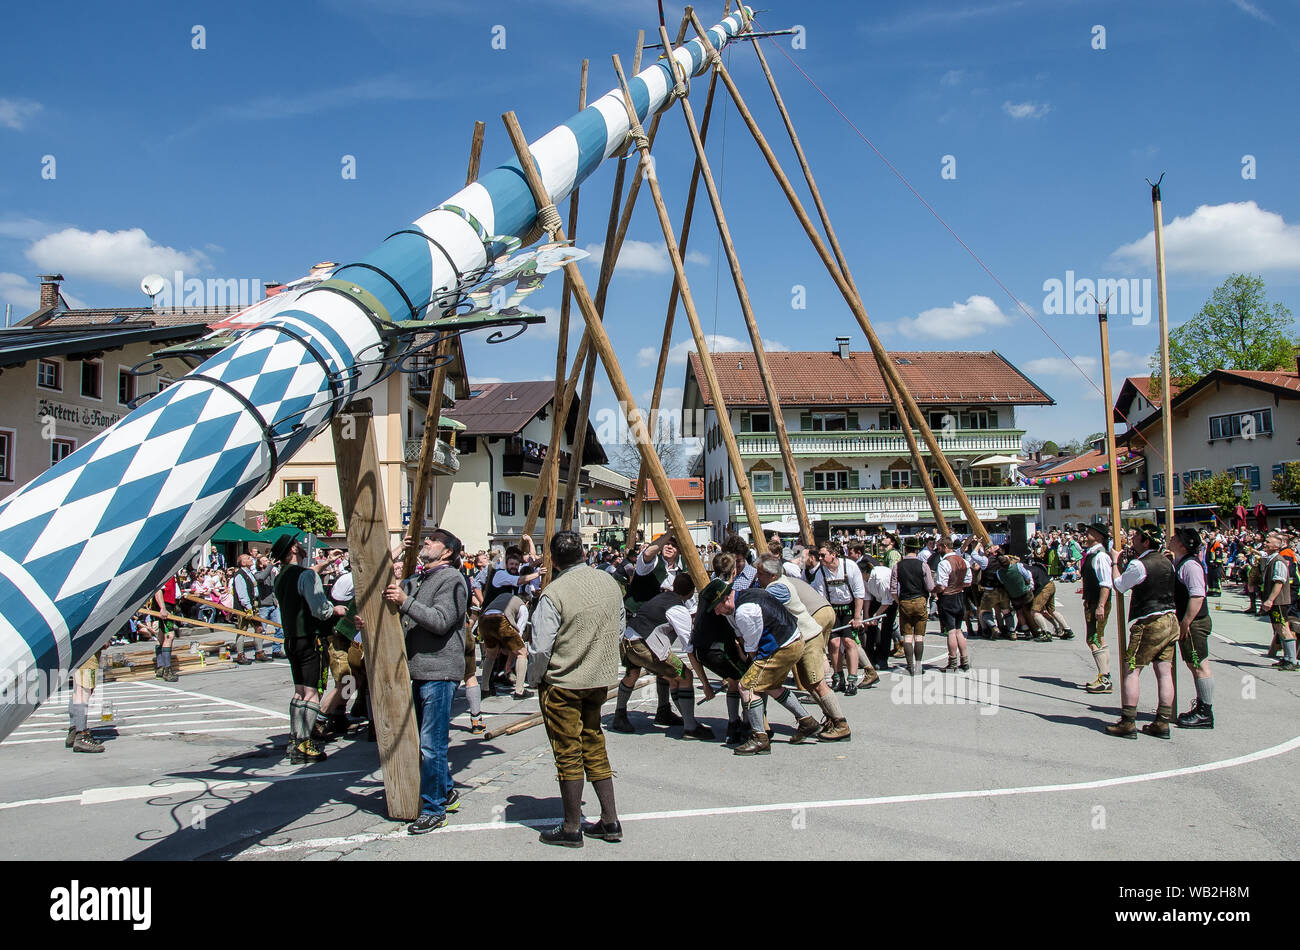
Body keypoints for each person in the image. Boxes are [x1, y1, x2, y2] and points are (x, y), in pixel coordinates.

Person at [527, 531, 625, 847]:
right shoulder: (609, 582)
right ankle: (610, 820)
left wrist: (534, 679)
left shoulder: (553, 593)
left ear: (553, 560)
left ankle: (571, 827)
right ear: (583, 551)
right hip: (598, 678)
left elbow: (541, 648)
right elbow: (620, 626)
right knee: (594, 741)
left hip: (563, 681)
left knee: (568, 750)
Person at [384, 529, 469, 834]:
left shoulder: (452, 580)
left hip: (439, 670)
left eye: (433, 541)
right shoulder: (422, 578)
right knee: (425, 742)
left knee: (432, 745)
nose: (426, 543)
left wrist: (405, 601)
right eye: (426, 539)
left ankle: (434, 808)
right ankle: (444, 791)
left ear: (447, 552)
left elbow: (440, 620)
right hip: (420, 669)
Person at [701, 578, 821, 755]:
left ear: (725, 598)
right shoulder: (743, 598)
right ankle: (807, 721)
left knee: (746, 686)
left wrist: (751, 669)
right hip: (789, 641)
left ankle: (759, 738)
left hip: (783, 647)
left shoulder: (745, 611)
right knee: (770, 685)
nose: (717, 613)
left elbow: (753, 648)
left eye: (717, 607)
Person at [755, 555, 852, 740]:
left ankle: (841, 724)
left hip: (808, 637)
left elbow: (763, 606)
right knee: (808, 683)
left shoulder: (777, 588)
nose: (758, 577)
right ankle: (831, 719)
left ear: (772, 575)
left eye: (761, 573)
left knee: (817, 682)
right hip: (802, 637)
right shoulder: (778, 583)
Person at [273, 533, 347, 764]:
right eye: (297, 544)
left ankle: (295, 738)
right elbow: (320, 610)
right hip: (310, 638)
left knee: (299, 691)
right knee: (312, 692)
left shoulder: (282, 576)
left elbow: (305, 577)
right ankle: (304, 742)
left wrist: (326, 562)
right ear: (293, 549)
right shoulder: (305, 575)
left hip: (292, 639)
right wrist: (336, 610)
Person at [610, 573, 713, 738]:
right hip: (643, 646)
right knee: (684, 675)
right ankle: (691, 727)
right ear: (692, 591)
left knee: (637, 674)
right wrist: (706, 684)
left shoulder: (662, 597)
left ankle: (621, 715)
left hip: (628, 640)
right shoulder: (678, 609)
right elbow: (689, 649)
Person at [1106, 524, 1180, 739]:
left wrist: (1114, 561)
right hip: (1170, 619)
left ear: (1146, 541)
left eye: (1136, 537)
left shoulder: (1140, 565)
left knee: (1132, 668)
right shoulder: (1167, 562)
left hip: (1150, 620)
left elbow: (1119, 585)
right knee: (1164, 671)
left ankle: (1128, 721)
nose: (1133, 540)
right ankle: (1162, 721)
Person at [1169, 528, 1215, 728]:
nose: (1171, 538)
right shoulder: (1181, 562)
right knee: (1194, 664)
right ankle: (1202, 707)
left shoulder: (1190, 566)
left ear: (1182, 544)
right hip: (1190, 621)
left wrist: (1185, 622)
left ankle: (1205, 711)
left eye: (1175, 537)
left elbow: (1197, 596)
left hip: (1194, 622)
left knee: (1200, 665)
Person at [809, 540, 867, 694]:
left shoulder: (849, 567)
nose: (820, 558)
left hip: (848, 609)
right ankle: (838, 677)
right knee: (834, 643)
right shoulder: (821, 573)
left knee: (849, 642)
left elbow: (859, 593)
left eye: (823, 555)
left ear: (833, 555)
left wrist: (857, 617)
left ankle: (852, 680)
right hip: (832, 609)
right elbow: (820, 597)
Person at [1080, 523, 1115, 694]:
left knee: (1092, 639)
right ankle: (1104, 675)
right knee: (1099, 638)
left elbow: (1106, 584)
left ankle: (1105, 678)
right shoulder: (1093, 554)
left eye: (1089, 533)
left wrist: (1100, 605)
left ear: (1099, 537)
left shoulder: (1100, 556)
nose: (1085, 536)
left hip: (1097, 602)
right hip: (1093, 601)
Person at [1260, 532, 1298, 671]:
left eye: (1268, 542)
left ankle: (1292, 660)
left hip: (1279, 601)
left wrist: (1270, 599)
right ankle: (1287, 658)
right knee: (1279, 628)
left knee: (1283, 627)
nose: (1265, 543)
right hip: (1276, 601)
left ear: (1276, 546)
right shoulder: (1271, 559)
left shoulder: (1279, 561)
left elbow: (1279, 582)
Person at [933, 537, 972, 673]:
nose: (938, 549)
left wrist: (934, 591)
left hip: (948, 598)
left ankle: (952, 661)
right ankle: (965, 660)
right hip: (960, 596)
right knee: (959, 629)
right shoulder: (964, 561)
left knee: (951, 631)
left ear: (944, 546)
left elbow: (942, 586)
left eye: (939, 547)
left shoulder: (944, 563)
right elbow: (968, 582)